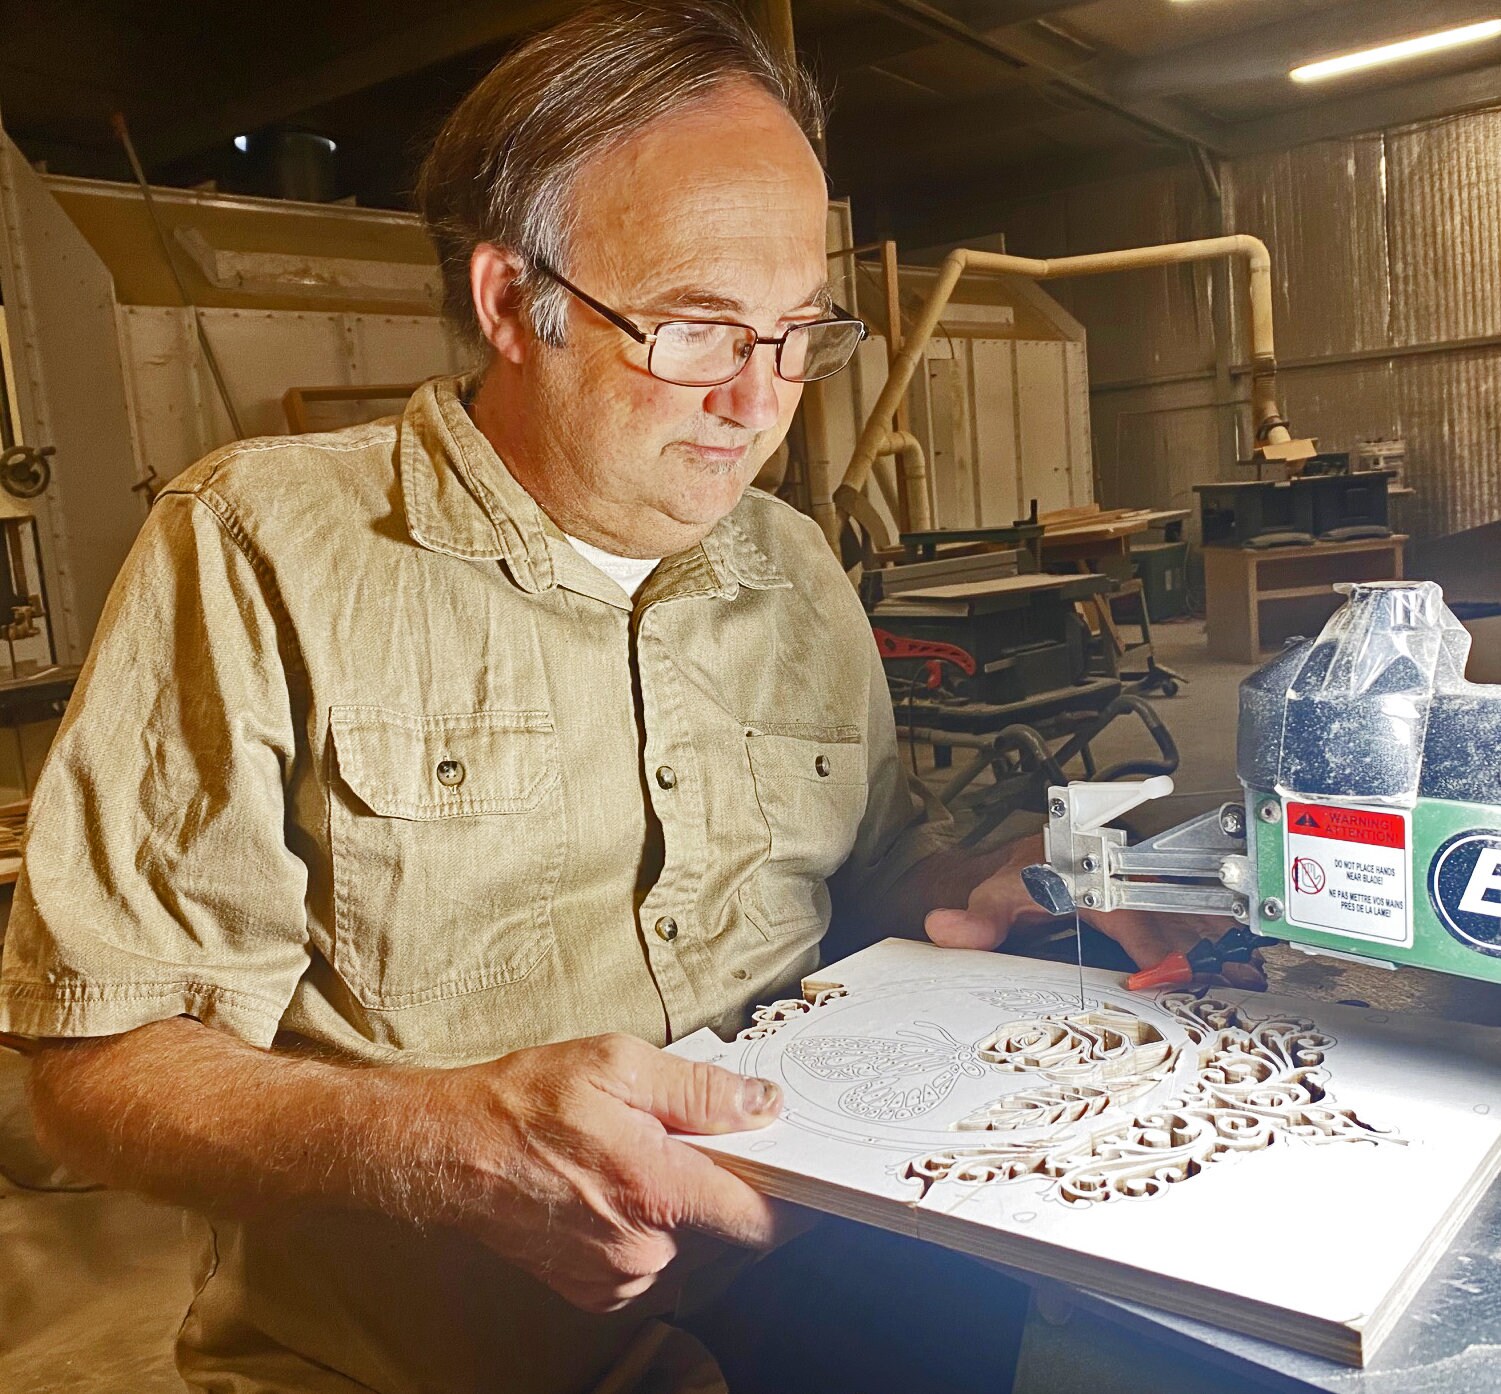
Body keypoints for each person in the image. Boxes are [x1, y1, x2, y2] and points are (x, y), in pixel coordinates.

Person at [0, 5, 1222, 1391]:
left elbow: (866, 888)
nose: (758, 403)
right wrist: (436, 1146)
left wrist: (1000, 884)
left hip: (848, 1286)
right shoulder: (257, 547)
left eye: (795, 334)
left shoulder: (797, 566)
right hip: (447, 1357)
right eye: (696, 329)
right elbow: (97, 1068)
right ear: (511, 302)